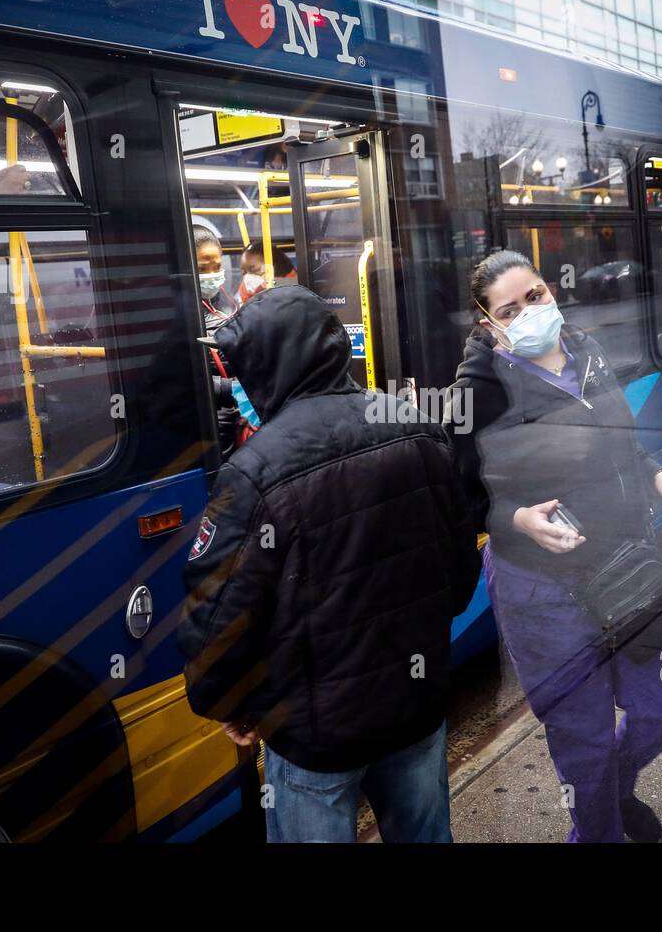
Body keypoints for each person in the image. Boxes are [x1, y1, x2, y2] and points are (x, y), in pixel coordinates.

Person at [178, 285, 481, 842]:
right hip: (416, 710)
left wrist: (229, 702)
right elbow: (461, 575)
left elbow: (217, 615)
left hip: (316, 734)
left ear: (265, 365)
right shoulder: (417, 428)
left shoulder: (254, 472)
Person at [448, 249, 662, 843]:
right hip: (540, 585)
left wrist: (655, 473)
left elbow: (624, 444)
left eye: (535, 296)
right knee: (581, 738)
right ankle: (597, 829)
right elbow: (457, 493)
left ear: (550, 290)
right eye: (510, 309)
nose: (530, 312)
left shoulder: (587, 353)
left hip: (626, 565)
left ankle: (612, 792)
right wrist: (512, 519)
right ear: (489, 323)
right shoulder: (475, 390)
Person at [193, 225, 239, 332]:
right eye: (202, 269)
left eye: (217, 267)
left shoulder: (228, 303)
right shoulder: (185, 313)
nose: (211, 274)